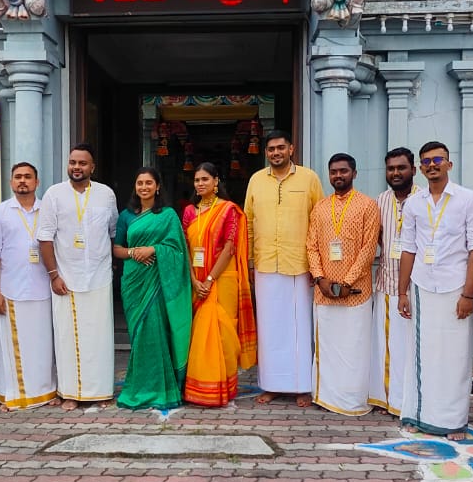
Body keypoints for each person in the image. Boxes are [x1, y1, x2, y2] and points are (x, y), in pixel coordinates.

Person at [397, 142, 473, 439]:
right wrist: (402, 292)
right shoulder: (414, 203)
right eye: (426, 161)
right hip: (422, 284)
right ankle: (418, 414)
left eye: (437, 159)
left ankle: (452, 420)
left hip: (455, 287)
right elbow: (408, 249)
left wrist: (468, 294)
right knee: (421, 353)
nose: (431, 165)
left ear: (449, 163)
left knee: (454, 356)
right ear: (420, 168)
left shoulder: (468, 199)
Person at [37, 144, 120, 409]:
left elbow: (113, 232)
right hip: (66, 277)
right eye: (72, 162)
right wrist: (53, 275)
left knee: (99, 337)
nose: (76, 167)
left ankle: (101, 391)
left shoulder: (106, 194)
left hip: (98, 276)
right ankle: (70, 393)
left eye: (82, 163)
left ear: (92, 167)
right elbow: (45, 237)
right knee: (67, 337)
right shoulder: (54, 194)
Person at [244, 130, 324, 406]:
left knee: (300, 326)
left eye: (280, 148)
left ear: (292, 148)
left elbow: (319, 223)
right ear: (266, 153)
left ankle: (302, 385)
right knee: (270, 327)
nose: (276, 153)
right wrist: (250, 263)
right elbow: (249, 223)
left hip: (300, 263)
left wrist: (318, 265)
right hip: (265, 262)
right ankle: (272, 384)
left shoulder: (309, 178)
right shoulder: (256, 180)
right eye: (271, 149)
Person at [113, 168, 193, 410]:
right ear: (135, 187)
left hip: (159, 280)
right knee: (139, 335)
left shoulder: (168, 215)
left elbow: (178, 249)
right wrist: (134, 252)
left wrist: (155, 250)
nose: (144, 187)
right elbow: (116, 248)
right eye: (140, 183)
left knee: (158, 331)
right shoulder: (126, 215)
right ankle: (139, 386)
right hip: (134, 281)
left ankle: (162, 388)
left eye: (149, 183)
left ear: (158, 186)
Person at [307, 154, 380, 416]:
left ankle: (352, 401)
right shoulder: (320, 208)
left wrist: (348, 282)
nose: (338, 176)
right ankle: (326, 397)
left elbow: (369, 248)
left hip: (356, 292)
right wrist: (320, 278)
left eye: (343, 171)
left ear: (354, 173)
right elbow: (312, 247)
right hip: (324, 291)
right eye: (334, 172)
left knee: (355, 347)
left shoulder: (368, 205)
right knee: (327, 346)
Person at [183, 162, 257, 407]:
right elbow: (185, 248)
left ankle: (223, 387)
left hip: (222, 278)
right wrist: (195, 281)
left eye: (205, 179)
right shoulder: (189, 213)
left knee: (223, 333)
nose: (200, 184)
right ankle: (201, 389)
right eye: (197, 180)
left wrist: (210, 279)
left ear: (216, 182)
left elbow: (229, 247)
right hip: (196, 280)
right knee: (200, 334)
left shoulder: (228, 210)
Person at [0, 163, 56, 411]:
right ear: (11, 182)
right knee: (11, 347)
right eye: (18, 177)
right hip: (11, 289)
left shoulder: (47, 210)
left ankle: (45, 392)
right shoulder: (0, 212)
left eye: (28, 177)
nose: (22, 181)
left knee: (42, 345)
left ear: (37, 182)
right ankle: (12, 395)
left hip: (44, 289)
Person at [373, 148, 417, 416]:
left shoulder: (425, 199)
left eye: (401, 168)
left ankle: (408, 402)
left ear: (413, 169)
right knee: (387, 346)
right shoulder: (380, 201)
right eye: (391, 169)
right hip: (385, 283)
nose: (396, 173)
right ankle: (388, 399)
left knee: (410, 349)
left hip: (415, 289)